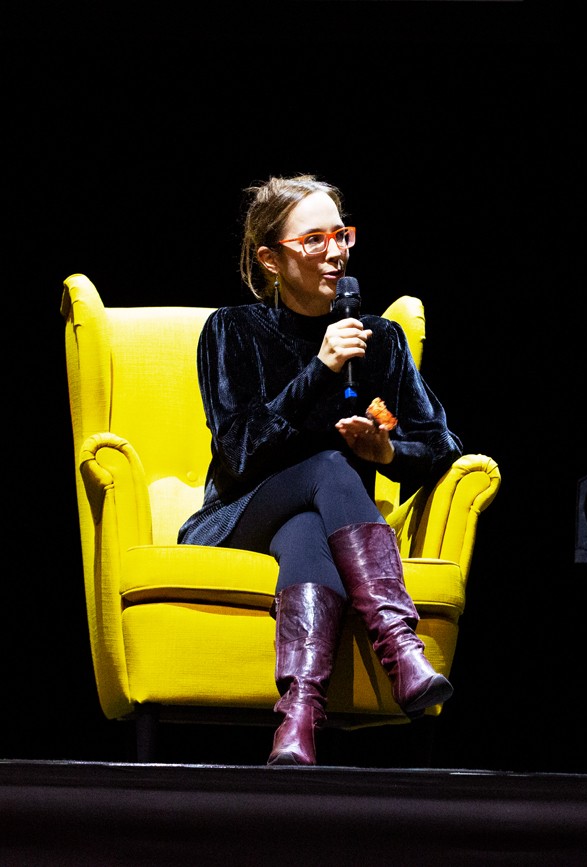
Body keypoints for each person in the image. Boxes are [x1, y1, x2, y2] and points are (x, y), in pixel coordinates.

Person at [178, 174, 464, 766]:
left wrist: (388, 455)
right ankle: (400, 647)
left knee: (308, 532)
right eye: (314, 240)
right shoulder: (232, 330)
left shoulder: (379, 339)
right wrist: (320, 368)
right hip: (238, 512)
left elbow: (441, 444)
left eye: (341, 235)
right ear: (271, 259)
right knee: (328, 464)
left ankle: (298, 720)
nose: (335, 252)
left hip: (320, 526)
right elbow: (237, 455)